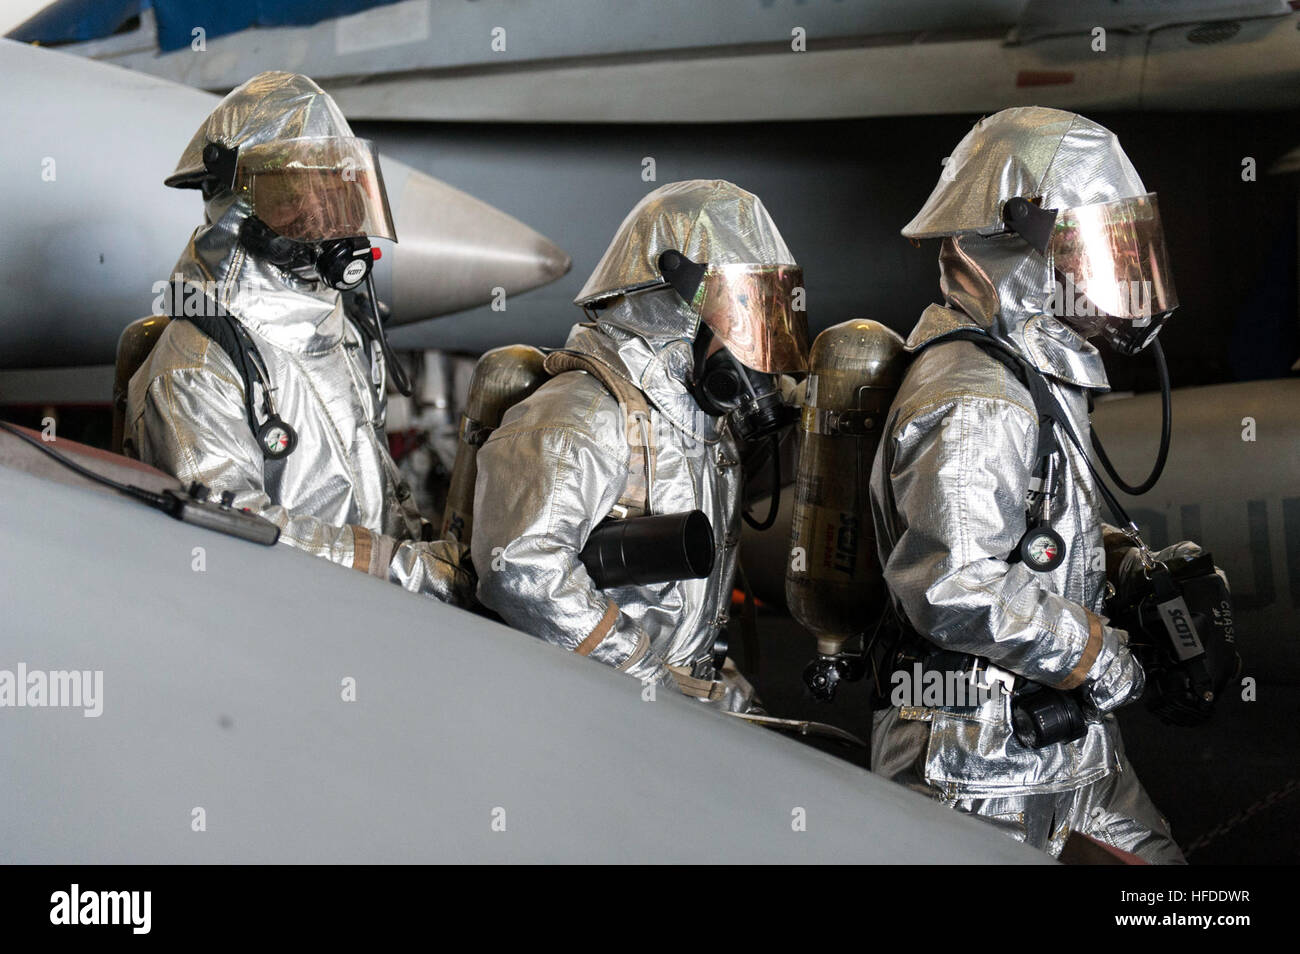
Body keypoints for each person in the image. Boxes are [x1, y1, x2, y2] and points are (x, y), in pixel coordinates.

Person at [869, 106, 1194, 862]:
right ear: (1023, 248)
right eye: (1094, 249)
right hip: (974, 765)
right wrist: (1097, 653)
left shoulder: (1026, 372)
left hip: (1056, 739)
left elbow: (1028, 521)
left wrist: (1118, 559)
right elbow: (953, 584)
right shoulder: (977, 395)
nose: (1110, 276)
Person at [125, 72, 469, 603]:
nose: (328, 220)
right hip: (280, 636)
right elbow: (227, 531)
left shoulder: (346, 329)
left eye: (337, 193)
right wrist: (407, 571)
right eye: (299, 197)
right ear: (242, 214)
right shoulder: (196, 367)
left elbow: (376, 487)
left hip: (381, 619)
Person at [472, 180, 808, 708]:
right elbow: (520, 569)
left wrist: (715, 689)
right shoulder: (579, 417)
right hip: (593, 709)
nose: (752, 347)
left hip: (672, 703)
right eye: (738, 317)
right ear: (674, 310)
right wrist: (643, 672)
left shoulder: (695, 418)